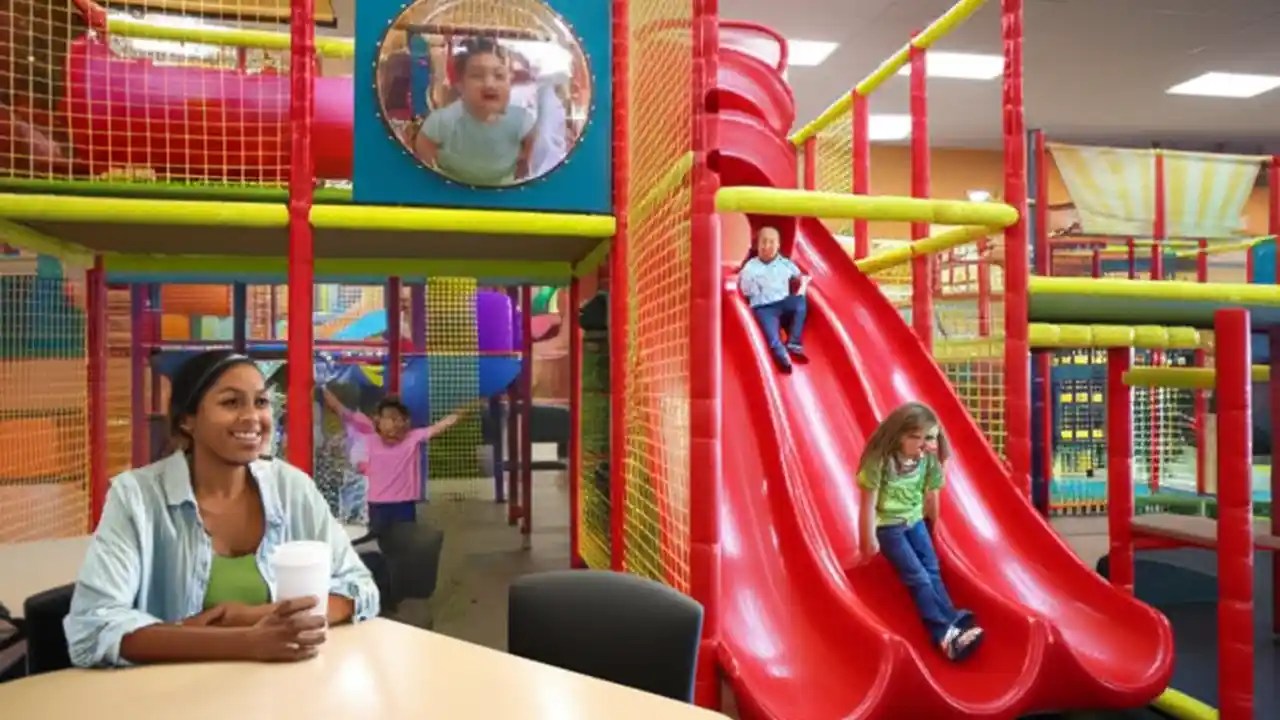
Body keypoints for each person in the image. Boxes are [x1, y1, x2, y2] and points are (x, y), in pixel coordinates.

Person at [64, 351, 380, 668]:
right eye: (231, 403)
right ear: (187, 420)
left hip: (280, 689)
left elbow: (359, 587)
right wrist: (247, 642)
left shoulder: (291, 488)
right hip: (171, 692)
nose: (252, 417)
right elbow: (94, 627)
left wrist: (258, 616)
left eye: (261, 402)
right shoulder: (137, 498)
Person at [856, 402, 984, 661]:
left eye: (929, 437)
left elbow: (932, 495)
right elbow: (868, 504)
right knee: (918, 576)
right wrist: (867, 540)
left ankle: (951, 618)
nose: (924, 444)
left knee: (932, 568)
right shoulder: (880, 461)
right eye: (916, 437)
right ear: (898, 436)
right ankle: (943, 635)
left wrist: (933, 524)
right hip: (889, 527)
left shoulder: (927, 460)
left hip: (915, 521)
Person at [321, 389, 477, 534]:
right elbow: (340, 409)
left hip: (404, 506)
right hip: (377, 505)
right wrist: (322, 387)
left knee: (405, 545)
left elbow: (444, 424)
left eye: (397, 421)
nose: (393, 427)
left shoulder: (413, 438)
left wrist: (469, 406)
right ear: (378, 422)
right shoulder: (370, 438)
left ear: (405, 423)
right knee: (379, 545)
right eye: (388, 420)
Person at [408, 36, 536, 186]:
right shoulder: (441, 121)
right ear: (460, 85)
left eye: (499, 76)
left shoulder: (522, 120)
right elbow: (424, 158)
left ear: (510, 83)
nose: (489, 84)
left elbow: (529, 157)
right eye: (477, 76)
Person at [738, 225, 808, 372]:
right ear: (757, 246)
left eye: (771, 242)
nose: (767, 246)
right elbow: (746, 289)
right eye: (763, 242)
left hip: (783, 302)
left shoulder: (784, 263)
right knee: (771, 335)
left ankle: (794, 342)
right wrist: (756, 289)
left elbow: (799, 276)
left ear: (778, 245)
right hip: (764, 307)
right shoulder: (751, 267)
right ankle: (781, 355)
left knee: (800, 303)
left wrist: (802, 284)